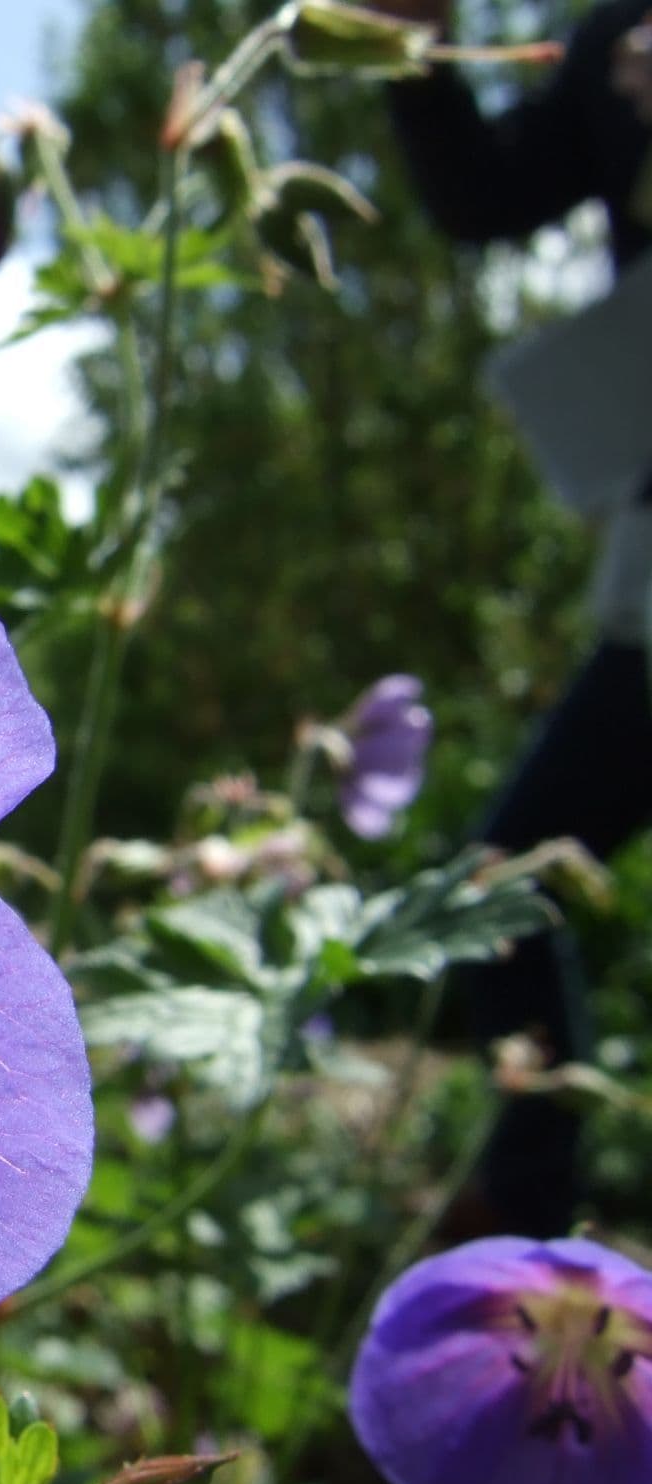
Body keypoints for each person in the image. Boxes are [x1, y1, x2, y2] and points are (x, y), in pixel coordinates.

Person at [382, 0, 652, 1236]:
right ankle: (533, 1226)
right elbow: (482, 197)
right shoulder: (607, 41)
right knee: (502, 884)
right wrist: (417, 48)